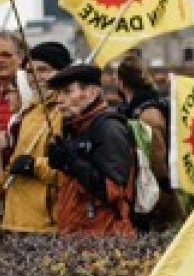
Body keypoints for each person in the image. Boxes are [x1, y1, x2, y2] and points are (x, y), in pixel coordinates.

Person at [0, 41, 71, 235]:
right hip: (15, 220)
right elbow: (16, 162)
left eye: (44, 70)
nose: (36, 78)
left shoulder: (67, 114)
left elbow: (70, 174)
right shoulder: (31, 112)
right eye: (31, 71)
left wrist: (34, 166)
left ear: (62, 73)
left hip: (47, 223)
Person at [45, 64, 135, 236]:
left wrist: (71, 163)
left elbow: (114, 192)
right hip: (77, 234)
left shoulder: (109, 128)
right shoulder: (75, 127)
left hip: (103, 235)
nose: (59, 99)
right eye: (58, 93)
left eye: (67, 91)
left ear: (92, 93)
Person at [116, 54, 183, 232]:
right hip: (147, 195)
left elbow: (157, 164)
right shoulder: (140, 109)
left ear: (121, 83)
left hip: (155, 199)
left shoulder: (147, 115)